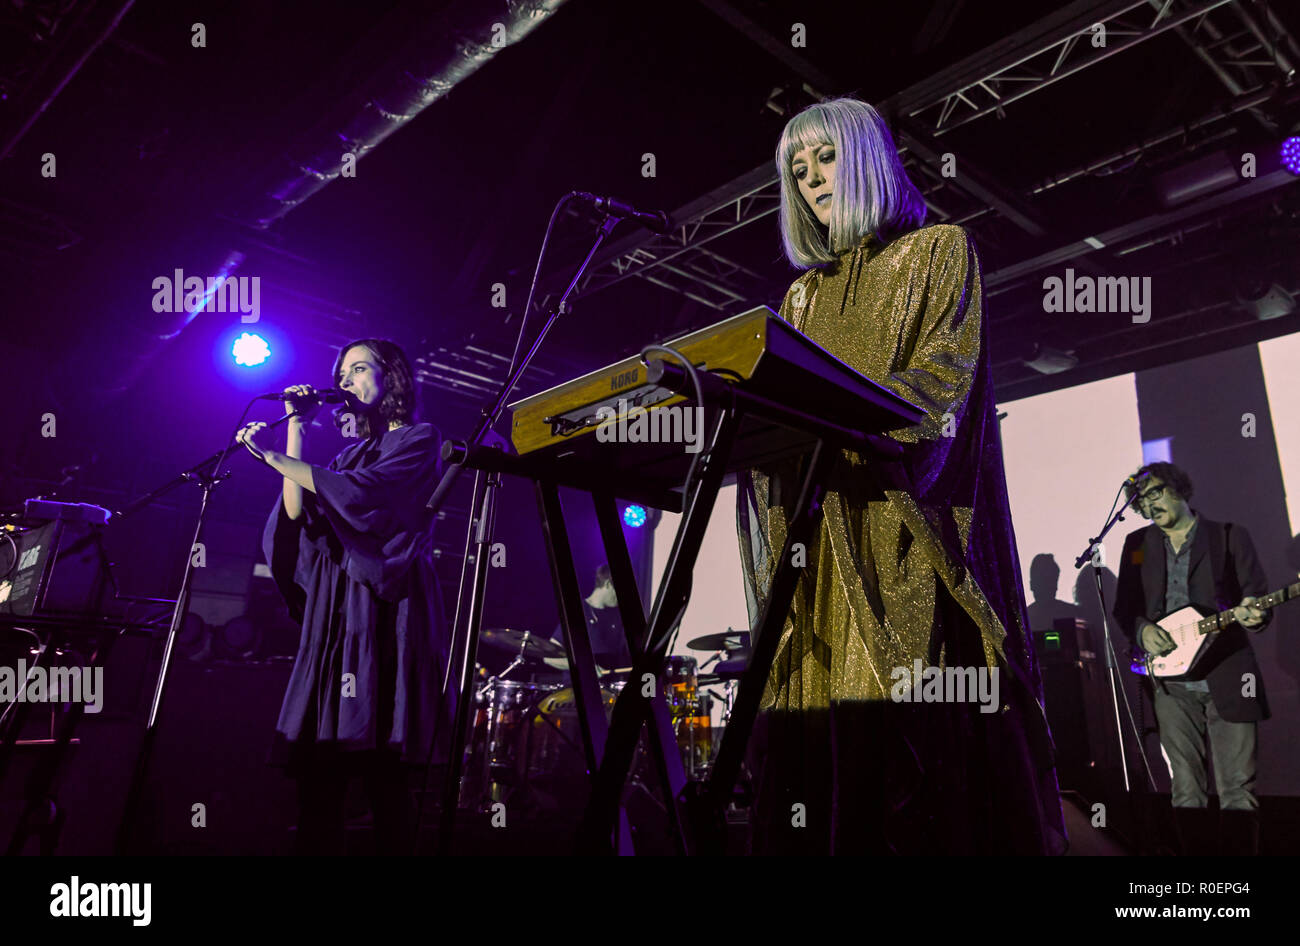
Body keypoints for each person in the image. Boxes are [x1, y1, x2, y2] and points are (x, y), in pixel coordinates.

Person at [736, 97, 1065, 854]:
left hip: (904, 545)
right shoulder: (801, 295)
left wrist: (841, 425)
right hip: (820, 556)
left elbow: (940, 389)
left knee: (913, 767)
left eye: (825, 157)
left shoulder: (940, 251)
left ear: (868, 158)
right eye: (798, 168)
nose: (812, 178)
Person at [236, 337, 453, 855]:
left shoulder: (421, 438)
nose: (347, 380)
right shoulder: (350, 452)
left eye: (360, 368)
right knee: (320, 770)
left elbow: (358, 496)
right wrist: (295, 428)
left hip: (386, 603)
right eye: (342, 372)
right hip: (338, 608)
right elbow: (294, 514)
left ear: (391, 376)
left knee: (384, 772)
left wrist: (268, 457)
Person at [1112, 462, 1270, 855]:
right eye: (1141, 500)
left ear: (1179, 489)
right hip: (1170, 685)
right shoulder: (1136, 545)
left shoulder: (1229, 536)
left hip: (1228, 674)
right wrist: (1143, 630)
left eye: (1156, 493)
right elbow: (1125, 608)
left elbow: (1257, 597)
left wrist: (1256, 613)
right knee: (1185, 789)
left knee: (1238, 790)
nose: (1150, 505)